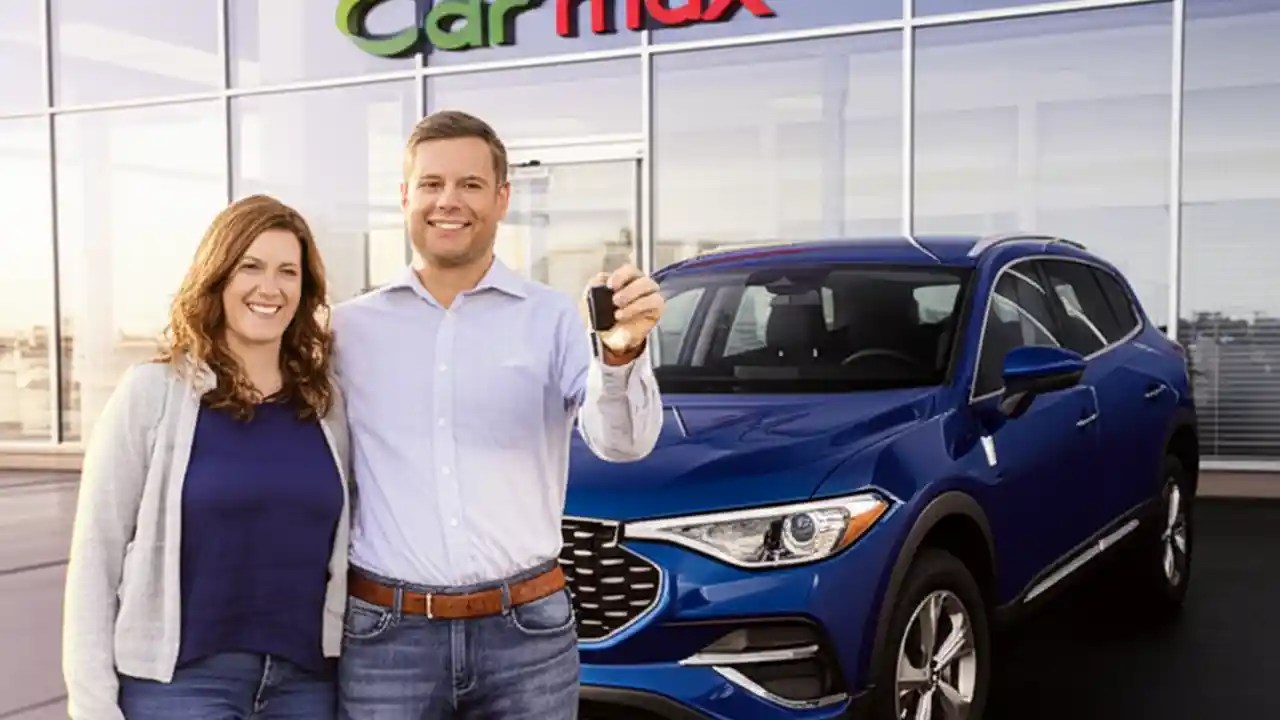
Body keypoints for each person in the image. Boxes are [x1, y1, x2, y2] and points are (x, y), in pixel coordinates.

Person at [331, 110, 665, 718]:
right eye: (431, 184)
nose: (448, 202)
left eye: (470, 184)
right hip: (387, 639)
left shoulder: (554, 318)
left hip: (527, 638)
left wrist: (620, 355)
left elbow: (623, 443)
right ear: (405, 196)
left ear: (502, 198)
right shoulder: (349, 330)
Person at [62, 194, 352, 719]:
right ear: (217, 277)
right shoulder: (152, 393)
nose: (270, 287)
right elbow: (95, 559)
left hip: (307, 687)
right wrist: (92, 706)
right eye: (251, 267)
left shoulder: (326, 405)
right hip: (181, 687)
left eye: (289, 271)